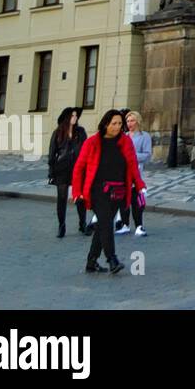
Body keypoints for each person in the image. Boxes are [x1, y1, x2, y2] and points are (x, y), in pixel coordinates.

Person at [73, 109, 145, 275]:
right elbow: (79, 168)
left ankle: (91, 262)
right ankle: (112, 259)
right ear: (106, 124)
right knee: (106, 223)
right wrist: (77, 192)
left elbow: (132, 164)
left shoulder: (125, 142)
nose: (118, 127)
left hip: (118, 190)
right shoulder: (92, 142)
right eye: (114, 123)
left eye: (120, 124)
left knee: (102, 226)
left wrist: (139, 184)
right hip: (97, 190)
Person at [47, 107, 87, 237]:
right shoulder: (58, 132)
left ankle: (82, 224)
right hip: (62, 168)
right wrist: (51, 173)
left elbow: (86, 149)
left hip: (78, 168)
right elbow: (52, 154)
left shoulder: (80, 132)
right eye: (72, 115)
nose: (75, 118)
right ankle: (61, 226)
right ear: (67, 117)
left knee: (80, 198)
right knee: (62, 199)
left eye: (76, 116)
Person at [117, 111, 151, 236]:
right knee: (123, 200)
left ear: (137, 121)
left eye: (132, 120)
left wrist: (132, 156)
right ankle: (125, 224)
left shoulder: (144, 136)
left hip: (136, 172)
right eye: (128, 121)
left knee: (137, 200)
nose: (129, 123)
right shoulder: (124, 136)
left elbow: (147, 155)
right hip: (123, 172)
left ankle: (139, 225)